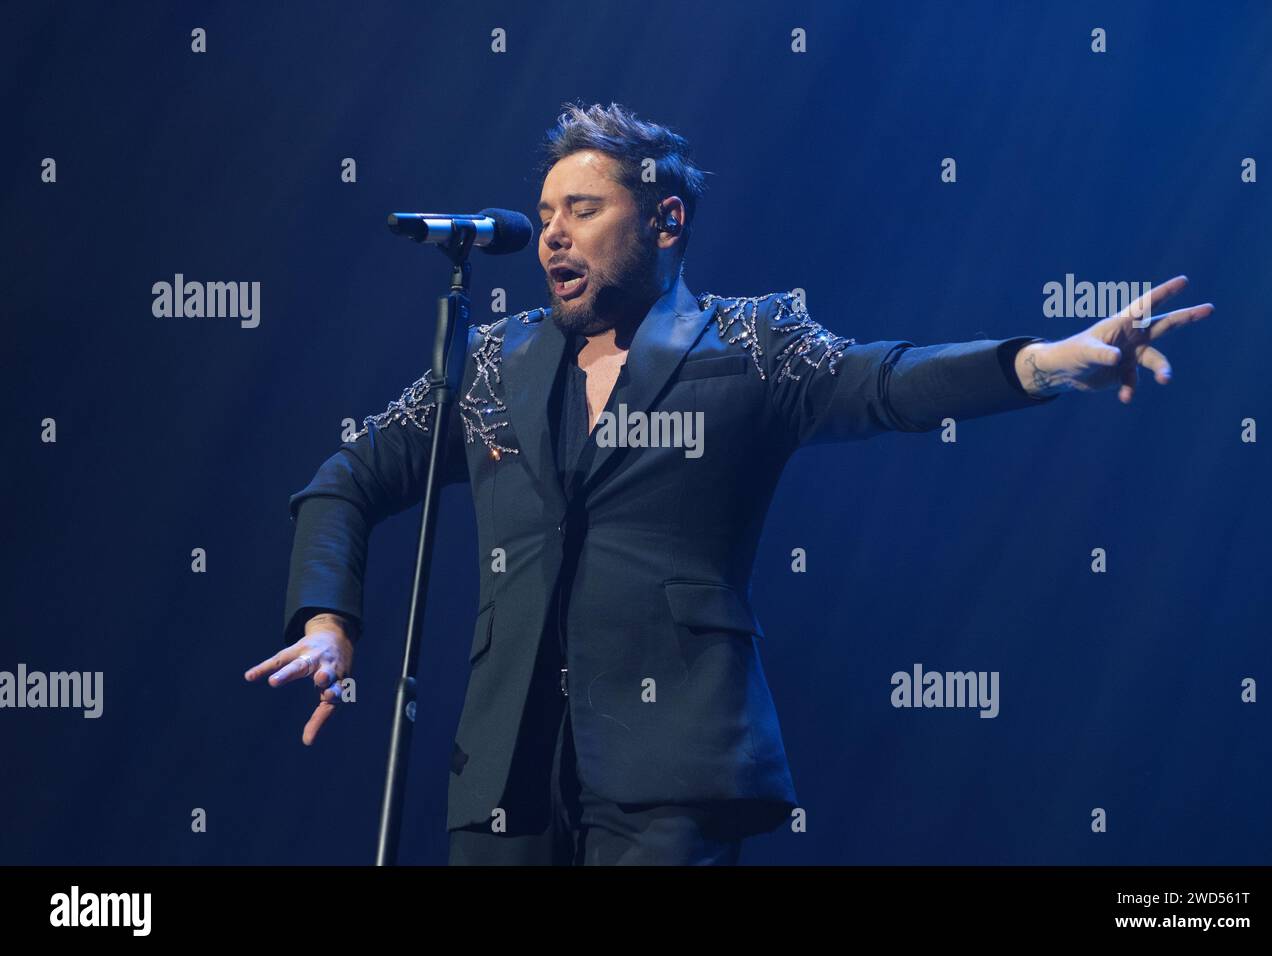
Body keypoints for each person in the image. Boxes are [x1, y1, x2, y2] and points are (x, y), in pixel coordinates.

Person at [244, 102, 1213, 865]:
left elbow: (889, 380)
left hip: (672, 767)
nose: (550, 236)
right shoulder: (490, 363)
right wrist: (328, 618)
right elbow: (348, 475)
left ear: (665, 220)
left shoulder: (751, 343)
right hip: (504, 766)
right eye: (542, 216)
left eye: (582, 211)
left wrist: (1046, 361)